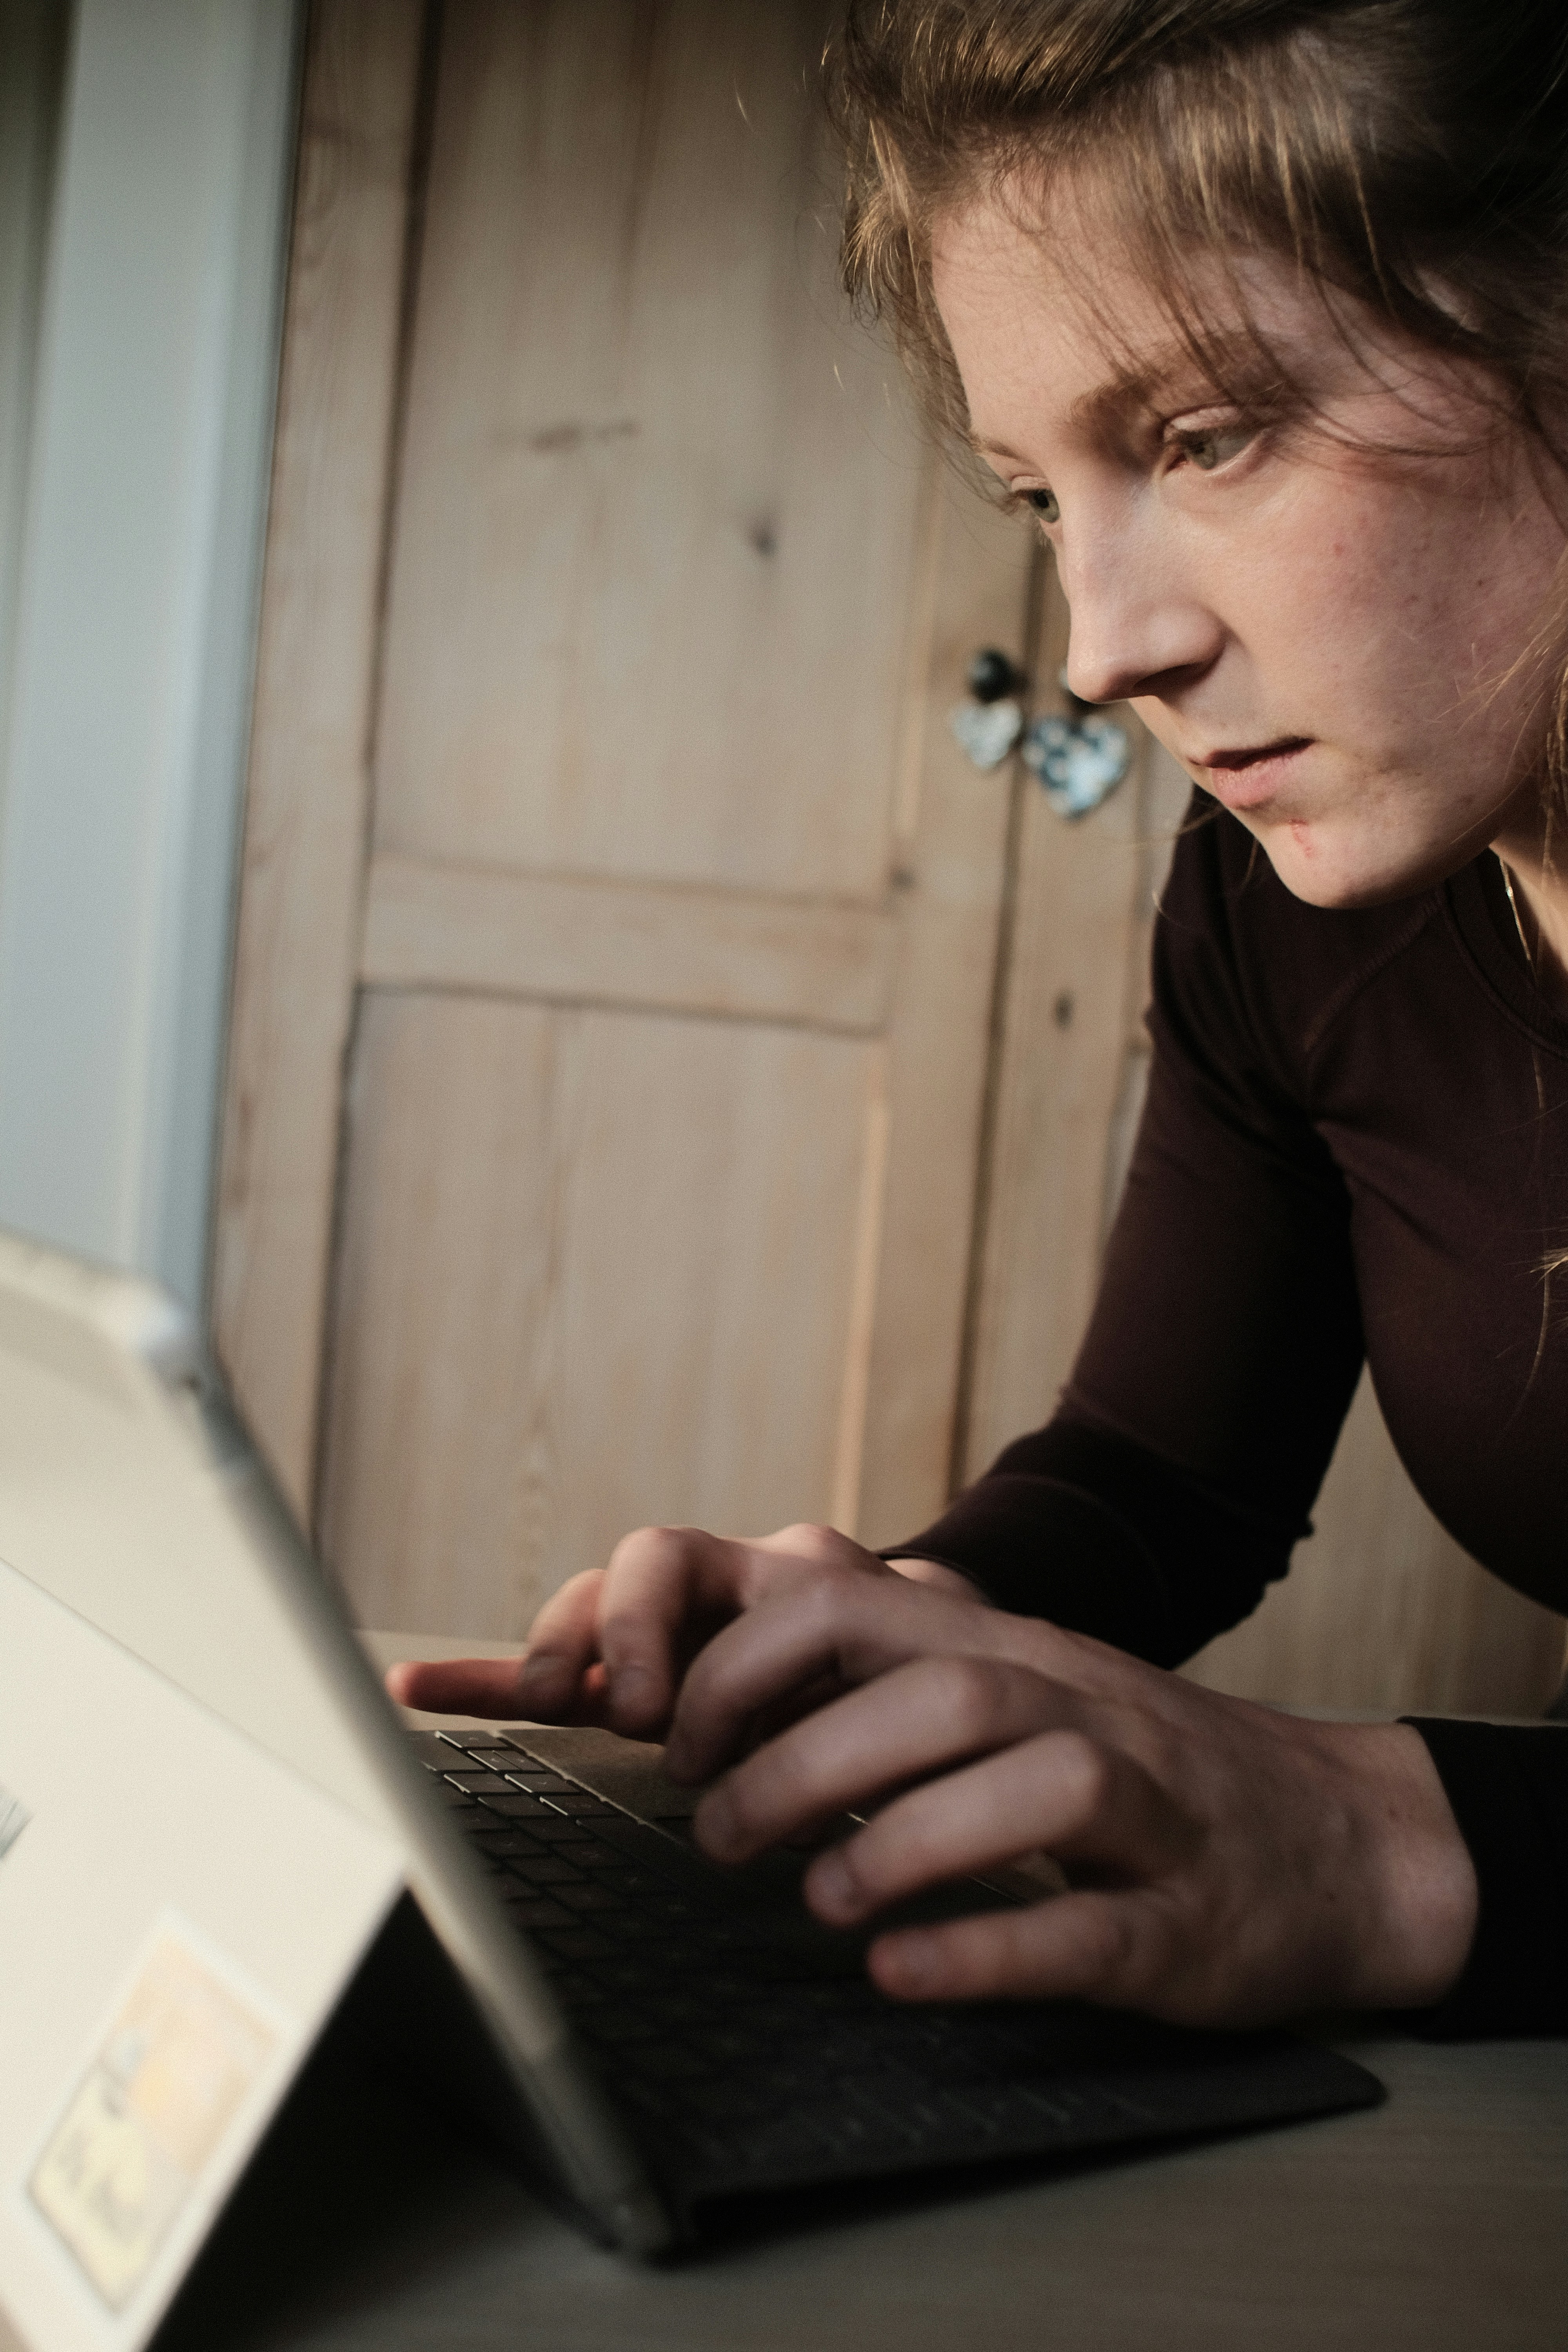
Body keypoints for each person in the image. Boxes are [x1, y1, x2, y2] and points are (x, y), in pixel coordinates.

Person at [390, 0, 1568, 2037]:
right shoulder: (1281, 912)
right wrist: (899, 1619)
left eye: (1207, 435)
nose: (1106, 646)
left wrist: (1374, 1834)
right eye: (1039, 494)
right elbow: (1156, 1475)